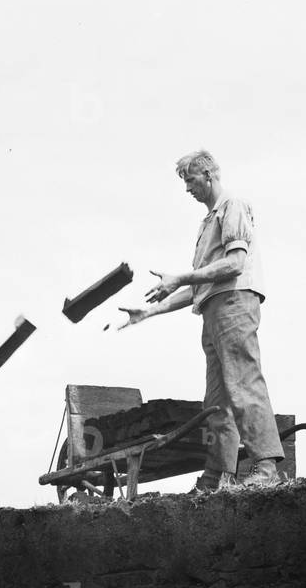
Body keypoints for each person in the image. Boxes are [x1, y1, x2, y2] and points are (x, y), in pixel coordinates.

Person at [118, 149, 284, 490]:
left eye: (191, 180)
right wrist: (149, 312)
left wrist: (180, 277)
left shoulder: (232, 205)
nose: (187, 188)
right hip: (212, 309)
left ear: (208, 175)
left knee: (244, 383)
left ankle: (266, 466)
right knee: (218, 401)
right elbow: (199, 286)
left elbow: (235, 264)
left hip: (235, 303)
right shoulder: (207, 222)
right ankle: (218, 476)